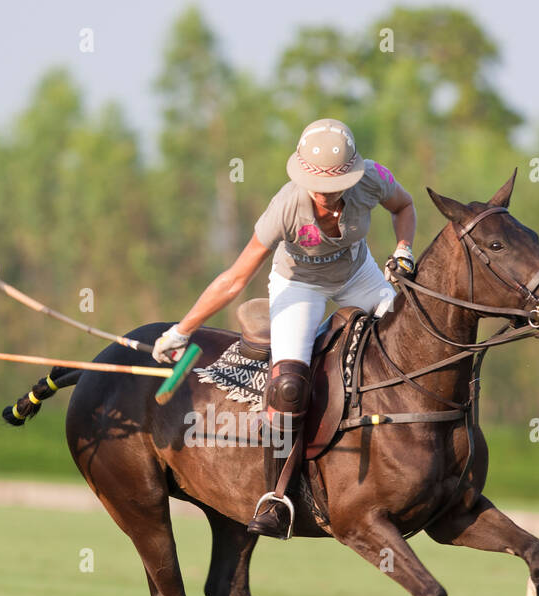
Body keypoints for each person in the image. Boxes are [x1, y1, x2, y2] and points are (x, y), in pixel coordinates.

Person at [153, 118, 417, 538]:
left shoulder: (374, 178)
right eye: (318, 188)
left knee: (411, 339)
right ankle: (277, 496)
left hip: (358, 275)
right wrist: (183, 330)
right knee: (288, 385)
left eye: (336, 188)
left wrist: (403, 249)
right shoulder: (286, 207)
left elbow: (404, 207)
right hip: (300, 285)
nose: (327, 198)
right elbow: (235, 278)